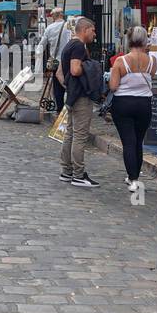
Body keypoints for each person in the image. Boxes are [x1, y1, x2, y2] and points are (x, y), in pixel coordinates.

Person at [108, 25, 157, 188]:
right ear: (145, 41)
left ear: (129, 40)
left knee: (128, 142)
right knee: (138, 141)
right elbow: (152, 77)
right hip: (144, 104)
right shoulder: (152, 61)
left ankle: (133, 178)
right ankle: (135, 176)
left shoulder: (121, 61)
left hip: (123, 103)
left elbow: (113, 86)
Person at [60, 17, 100, 188]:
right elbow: (75, 70)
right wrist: (92, 67)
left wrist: (68, 86)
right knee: (80, 135)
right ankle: (78, 174)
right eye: (93, 30)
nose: (94, 34)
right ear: (85, 30)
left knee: (70, 133)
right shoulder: (78, 46)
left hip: (71, 94)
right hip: (80, 97)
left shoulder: (68, 45)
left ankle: (66, 171)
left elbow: (59, 74)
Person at [37, 7, 67, 110]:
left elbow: (41, 46)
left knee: (58, 86)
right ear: (62, 15)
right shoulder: (69, 26)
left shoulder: (49, 28)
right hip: (69, 60)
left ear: (54, 16)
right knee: (70, 83)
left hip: (56, 61)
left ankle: (60, 108)